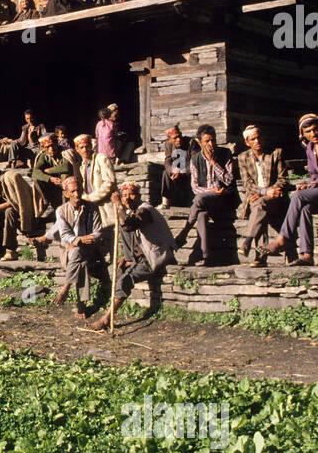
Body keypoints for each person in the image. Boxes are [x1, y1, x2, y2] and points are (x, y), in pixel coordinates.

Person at [264, 113, 318, 266]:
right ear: (303, 134)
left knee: (299, 196)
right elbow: (314, 175)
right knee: (305, 207)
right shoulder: (310, 147)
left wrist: (313, 185)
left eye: (315, 129)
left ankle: (283, 238)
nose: (313, 134)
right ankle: (307, 255)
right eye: (308, 132)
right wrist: (309, 184)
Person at [92, 181, 176, 330]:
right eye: (124, 196)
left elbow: (128, 225)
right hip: (141, 257)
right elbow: (129, 231)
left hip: (154, 258)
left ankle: (106, 318)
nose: (128, 198)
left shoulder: (145, 210)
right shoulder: (132, 211)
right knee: (119, 270)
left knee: (125, 280)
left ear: (139, 195)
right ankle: (113, 303)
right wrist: (127, 257)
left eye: (132, 194)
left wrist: (118, 204)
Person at [179, 124, 238, 266]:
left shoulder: (225, 154)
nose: (211, 144)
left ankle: (184, 233)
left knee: (199, 200)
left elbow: (229, 181)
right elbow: (195, 187)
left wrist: (213, 162)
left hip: (224, 198)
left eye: (213, 140)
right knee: (202, 214)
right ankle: (206, 256)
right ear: (199, 142)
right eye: (207, 141)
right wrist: (210, 191)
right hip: (207, 199)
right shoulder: (195, 159)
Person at [53, 176, 106, 321]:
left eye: (79, 190)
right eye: (73, 191)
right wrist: (78, 240)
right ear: (66, 194)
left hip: (92, 248)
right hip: (70, 250)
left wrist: (91, 238)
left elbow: (98, 230)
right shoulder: (61, 211)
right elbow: (65, 234)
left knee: (79, 253)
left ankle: (66, 286)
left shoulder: (92, 207)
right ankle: (81, 303)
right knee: (80, 258)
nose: (77, 194)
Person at [236, 124, 289, 264]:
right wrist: (264, 192)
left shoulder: (276, 153)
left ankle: (248, 241)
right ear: (247, 142)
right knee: (260, 207)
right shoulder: (243, 158)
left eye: (259, 137)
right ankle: (259, 257)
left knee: (259, 205)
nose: (257, 141)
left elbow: (283, 179)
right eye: (252, 139)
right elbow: (247, 184)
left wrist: (270, 191)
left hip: (276, 198)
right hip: (260, 198)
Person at [30, 134, 73, 209]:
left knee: (64, 175)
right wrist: (50, 178)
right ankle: (47, 202)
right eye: (47, 147)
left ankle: (65, 204)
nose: (51, 149)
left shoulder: (65, 152)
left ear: (57, 144)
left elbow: (67, 167)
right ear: (44, 148)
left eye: (53, 145)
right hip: (53, 182)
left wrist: (48, 170)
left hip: (67, 181)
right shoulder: (44, 155)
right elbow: (35, 172)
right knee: (36, 179)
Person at [160, 124, 192, 209]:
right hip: (176, 173)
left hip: (189, 172)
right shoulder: (168, 144)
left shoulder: (191, 143)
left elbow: (195, 163)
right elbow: (167, 160)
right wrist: (172, 170)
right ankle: (165, 202)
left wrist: (181, 172)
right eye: (175, 138)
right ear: (170, 140)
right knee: (165, 173)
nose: (179, 139)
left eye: (179, 136)